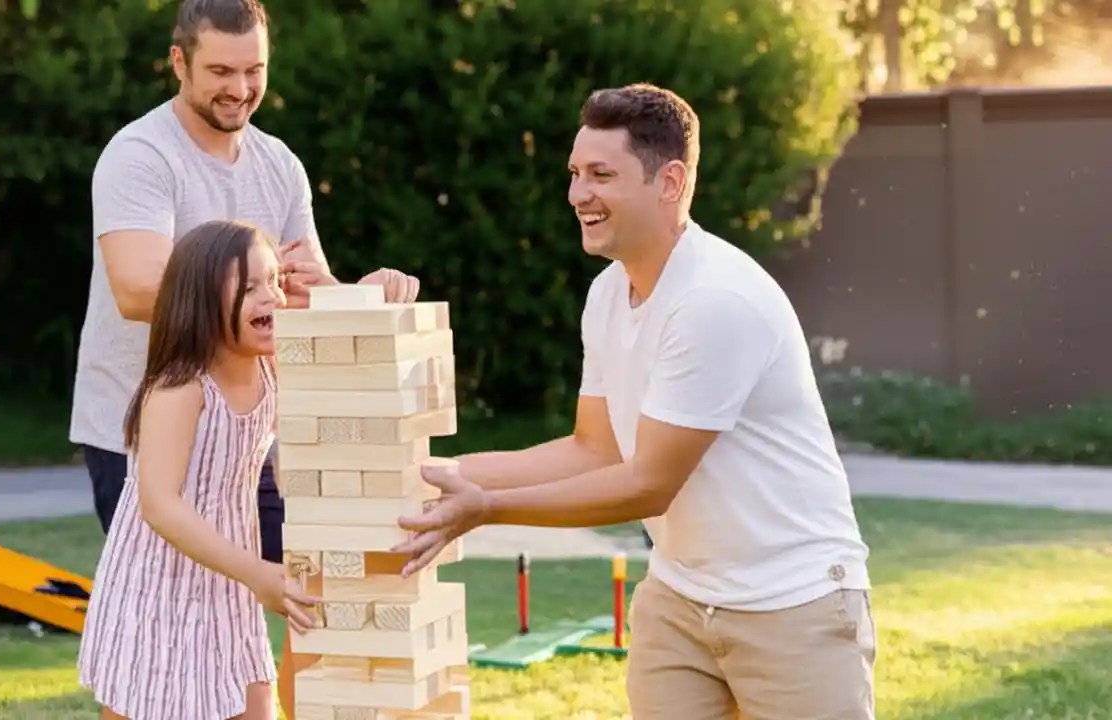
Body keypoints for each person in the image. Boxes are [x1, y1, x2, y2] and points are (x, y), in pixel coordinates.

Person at [391, 83, 877, 719]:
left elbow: (648, 484)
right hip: (679, 599)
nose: (577, 194)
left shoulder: (714, 301)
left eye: (600, 174)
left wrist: (487, 509)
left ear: (669, 181)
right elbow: (595, 448)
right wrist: (437, 476)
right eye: (574, 173)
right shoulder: (609, 295)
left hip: (793, 604)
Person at [68, 1, 417, 714]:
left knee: (291, 601)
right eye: (220, 71)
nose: (239, 87)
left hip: (251, 434)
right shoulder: (141, 155)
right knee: (171, 622)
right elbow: (138, 287)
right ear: (178, 62)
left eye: (253, 70)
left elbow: (306, 297)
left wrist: (363, 293)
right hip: (143, 433)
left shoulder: (278, 164)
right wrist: (255, 288)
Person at [76, 219, 321, 720]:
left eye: (275, 280)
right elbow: (159, 505)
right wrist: (257, 573)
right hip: (157, 589)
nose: (272, 296)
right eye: (250, 287)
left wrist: (378, 295)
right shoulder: (180, 388)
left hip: (225, 584)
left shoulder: (269, 369)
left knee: (253, 705)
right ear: (202, 301)